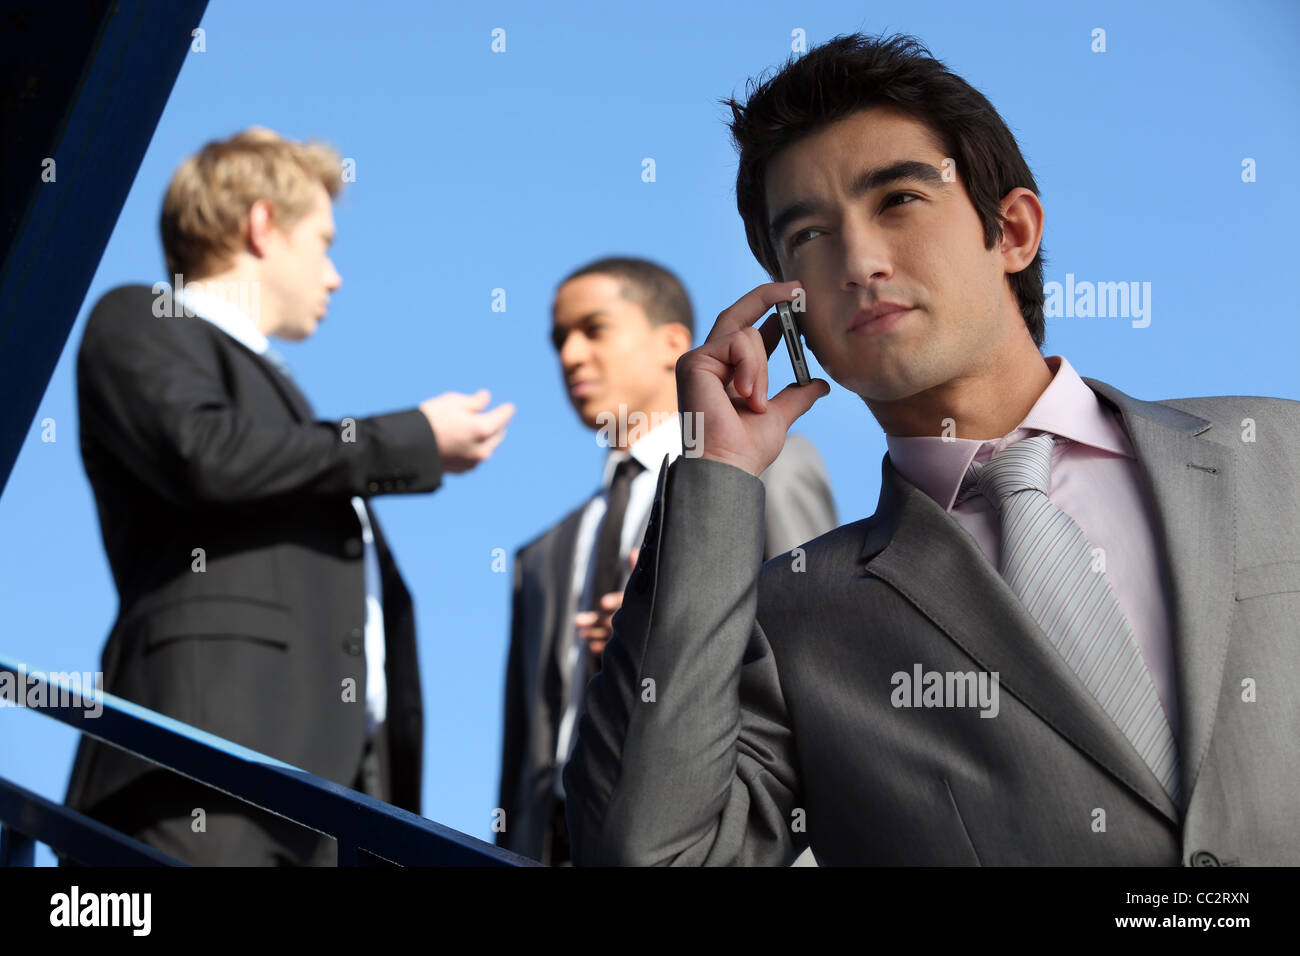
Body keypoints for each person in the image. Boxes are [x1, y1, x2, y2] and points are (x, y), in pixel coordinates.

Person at [563, 33, 1300, 865]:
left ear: (1012, 230)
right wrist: (714, 474)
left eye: (899, 201)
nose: (860, 261)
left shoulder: (1281, 449)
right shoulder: (793, 620)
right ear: (788, 313)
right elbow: (650, 856)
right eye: (806, 236)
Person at [62, 128, 514, 866]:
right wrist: (414, 439)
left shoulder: (274, 394)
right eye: (324, 241)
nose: (334, 276)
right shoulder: (137, 317)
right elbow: (205, 455)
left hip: (324, 802)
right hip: (205, 773)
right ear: (263, 224)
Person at [497, 257, 837, 864]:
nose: (571, 355)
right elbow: (524, 753)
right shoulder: (542, 557)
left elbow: (813, 664)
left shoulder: (771, 473)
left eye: (593, 329)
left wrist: (651, 632)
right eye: (559, 340)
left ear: (673, 344)